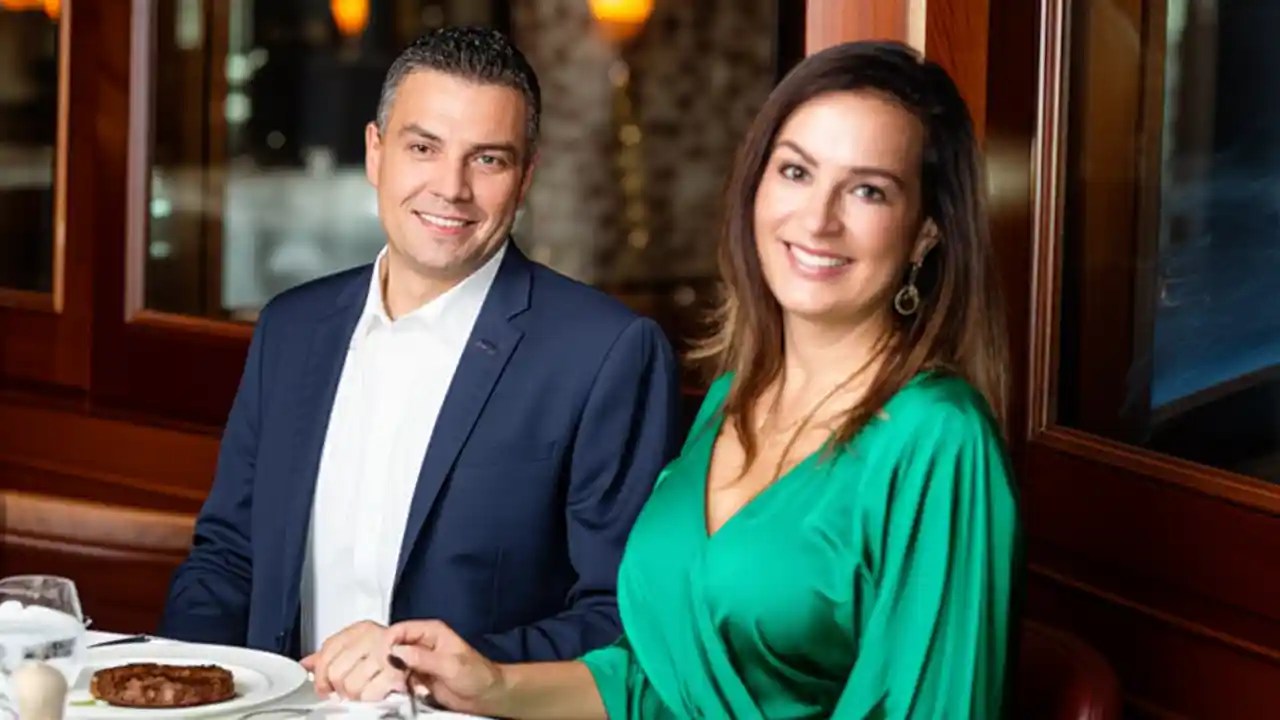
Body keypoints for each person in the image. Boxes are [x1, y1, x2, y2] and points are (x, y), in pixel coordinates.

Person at [373, 39, 1022, 719]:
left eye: (867, 190)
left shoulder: (939, 439)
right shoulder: (733, 397)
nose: (818, 219)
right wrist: (492, 684)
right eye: (796, 172)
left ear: (925, 232)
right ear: (756, 187)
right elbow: (655, 685)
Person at [158, 26, 683, 701]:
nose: (451, 188)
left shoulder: (606, 353)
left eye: (487, 159)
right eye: (423, 148)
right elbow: (227, 559)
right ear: (376, 153)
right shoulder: (292, 328)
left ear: (526, 177)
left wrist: (430, 671)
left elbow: (620, 618)